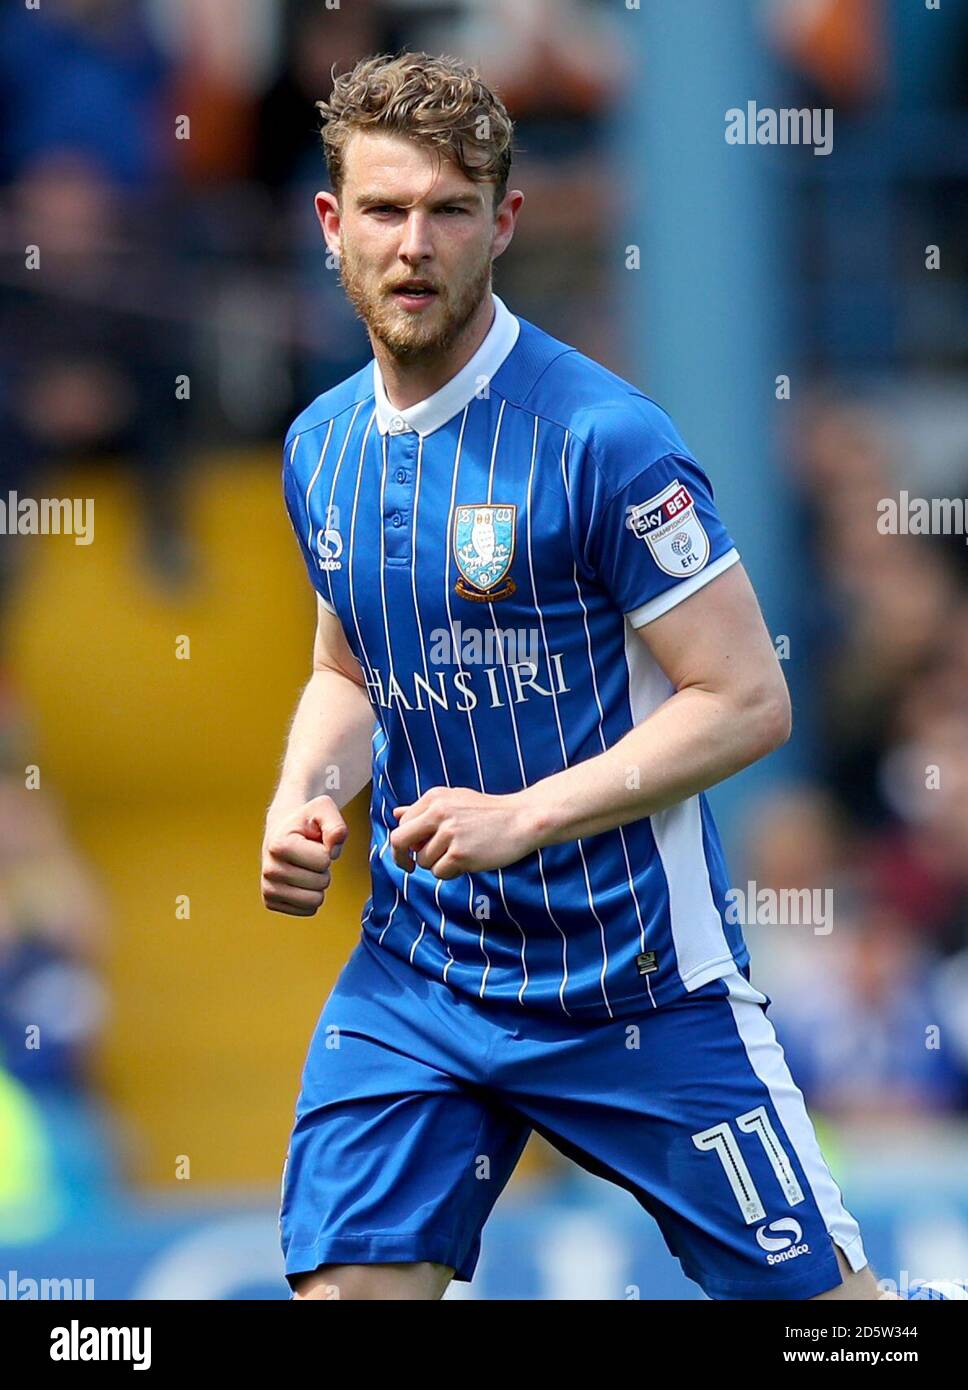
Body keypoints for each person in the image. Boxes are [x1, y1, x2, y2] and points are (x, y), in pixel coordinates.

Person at [263, 51, 917, 1302]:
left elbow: (745, 699)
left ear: (502, 224)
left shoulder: (603, 440)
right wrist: (303, 796)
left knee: (837, 1325)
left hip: (635, 985)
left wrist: (525, 816)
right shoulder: (318, 447)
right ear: (330, 223)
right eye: (387, 211)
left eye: (450, 211)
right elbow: (345, 669)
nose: (415, 246)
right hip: (421, 972)